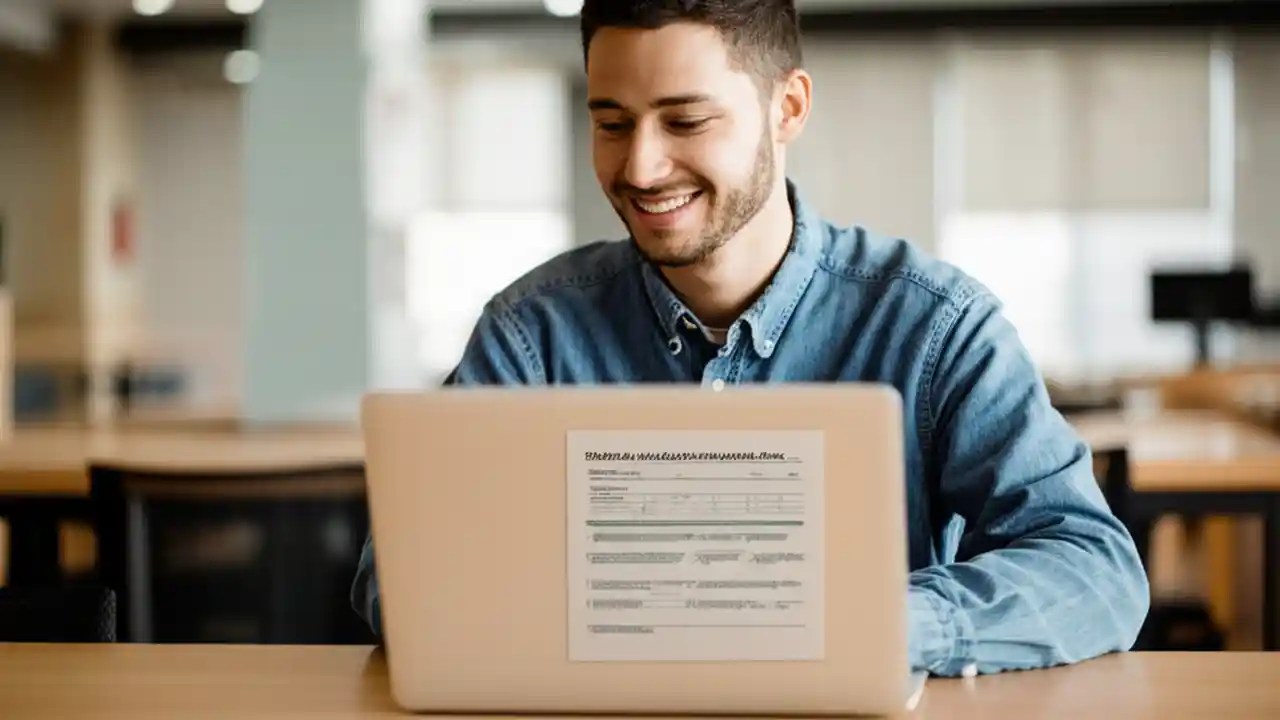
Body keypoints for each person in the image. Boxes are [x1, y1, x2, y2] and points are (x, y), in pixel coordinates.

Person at [353, 0, 1149, 677]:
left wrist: (879, 628)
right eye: (611, 123)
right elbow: (397, 579)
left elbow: (1093, 569)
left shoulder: (935, 327)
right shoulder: (531, 334)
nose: (640, 165)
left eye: (686, 120)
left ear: (788, 108)